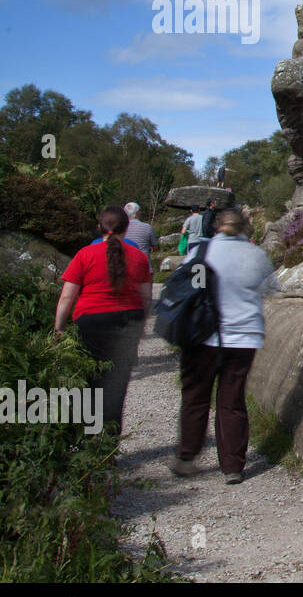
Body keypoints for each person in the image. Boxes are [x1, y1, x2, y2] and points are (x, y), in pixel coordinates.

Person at [170, 209, 281, 485]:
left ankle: (187, 457)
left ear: (216, 227)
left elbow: (192, 288)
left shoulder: (202, 251)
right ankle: (232, 466)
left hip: (205, 337)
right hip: (243, 337)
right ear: (245, 228)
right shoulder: (256, 255)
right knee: (232, 401)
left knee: (195, 398)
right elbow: (270, 289)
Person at [53, 206, 152, 433]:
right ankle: (108, 448)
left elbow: (67, 296)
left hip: (91, 322)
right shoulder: (138, 257)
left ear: (100, 228)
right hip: (128, 322)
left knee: (88, 382)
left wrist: (58, 328)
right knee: (117, 386)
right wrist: (141, 326)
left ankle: (87, 442)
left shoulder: (85, 254)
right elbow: (146, 298)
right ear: (126, 229)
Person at [123, 202, 159, 267]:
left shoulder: (121, 229)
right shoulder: (147, 227)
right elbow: (156, 247)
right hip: (144, 265)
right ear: (137, 213)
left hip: (127, 267)